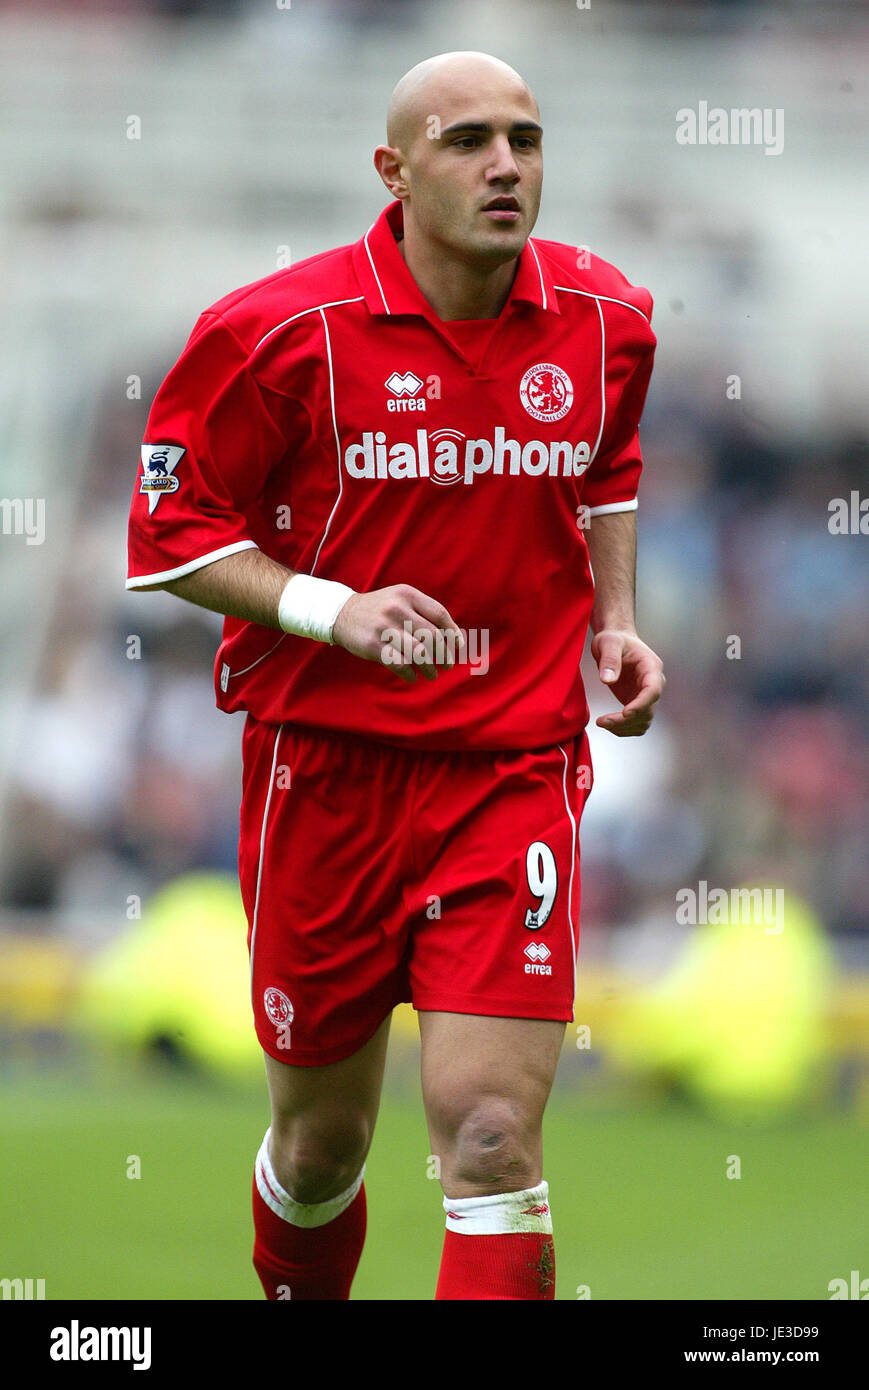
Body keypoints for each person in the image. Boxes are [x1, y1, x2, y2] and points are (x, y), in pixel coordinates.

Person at [126, 49, 665, 1301]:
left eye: (524, 142)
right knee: (323, 1148)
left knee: (490, 1138)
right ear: (392, 168)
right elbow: (168, 537)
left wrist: (616, 621)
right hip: (323, 775)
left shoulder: (604, 319)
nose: (504, 167)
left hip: (509, 773)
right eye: (468, 140)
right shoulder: (275, 333)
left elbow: (606, 464)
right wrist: (331, 610)